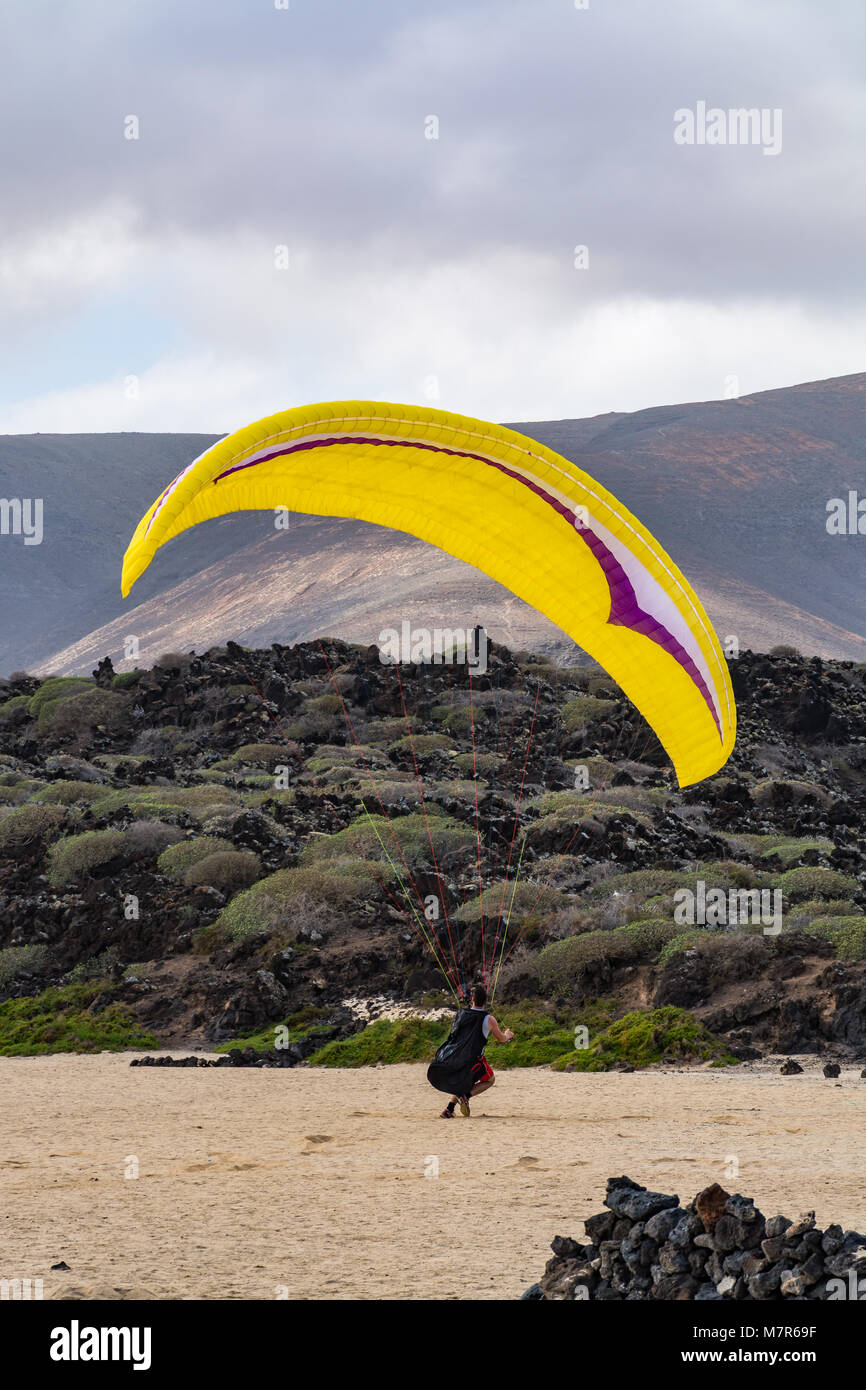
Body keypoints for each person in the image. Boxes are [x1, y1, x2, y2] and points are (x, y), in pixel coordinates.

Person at [427, 983, 514, 1118]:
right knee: (490, 1080)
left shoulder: (461, 1014)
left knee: (461, 1080)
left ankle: (449, 1110)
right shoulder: (489, 1019)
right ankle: (466, 1096)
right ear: (486, 1000)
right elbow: (501, 1039)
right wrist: (508, 1035)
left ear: (472, 999)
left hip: (457, 1057)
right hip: (474, 1060)